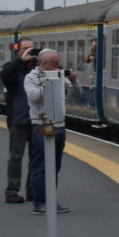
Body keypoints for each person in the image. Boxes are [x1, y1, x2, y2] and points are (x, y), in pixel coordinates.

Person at [23, 47, 79, 215]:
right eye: (55, 63)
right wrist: (50, 83)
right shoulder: (30, 78)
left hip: (59, 124)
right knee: (40, 165)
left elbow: (77, 94)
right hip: (41, 124)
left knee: (54, 166)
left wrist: (74, 81)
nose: (58, 65)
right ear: (45, 63)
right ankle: (39, 202)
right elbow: (33, 96)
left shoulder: (60, 76)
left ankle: (51, 200)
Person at [0, 40, 38, 203]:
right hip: (18, 119)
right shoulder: (12, 67)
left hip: (37, 119)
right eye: (25, 48)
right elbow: (5, 77)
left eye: (31, 48)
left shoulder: (38, 68)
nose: (29, 51)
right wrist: (20, 61)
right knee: (16, 156)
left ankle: (32, 190)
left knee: (35, 157)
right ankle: (12, 191)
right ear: (18, 51)